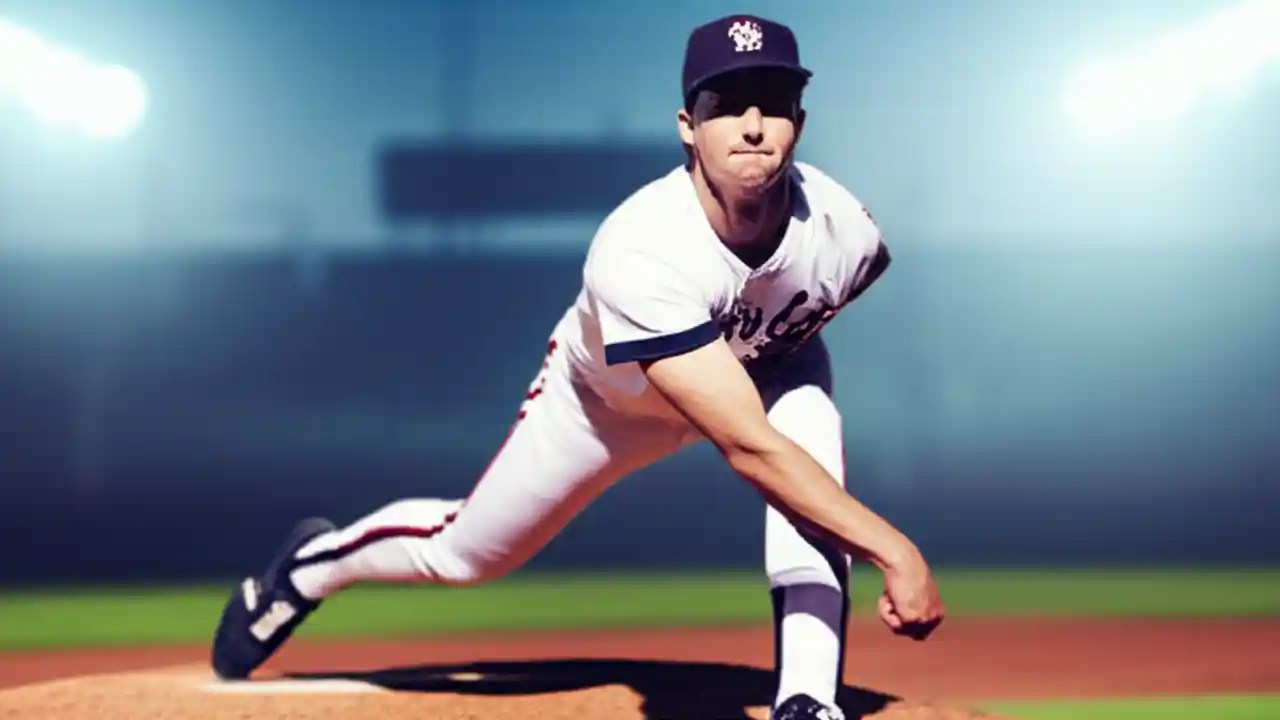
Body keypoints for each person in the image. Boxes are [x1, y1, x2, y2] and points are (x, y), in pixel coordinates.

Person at [211, 14, 944, 720]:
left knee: (810, 432)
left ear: (800, 123)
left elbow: (784, 361)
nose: (752, 125)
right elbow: (748, 446)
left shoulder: (846, 234)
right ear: (687, 125)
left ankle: (806, 700)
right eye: (725, 105)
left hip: (758, 374)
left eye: (775, 103)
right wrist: (895, 550)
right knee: (466, 555)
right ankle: (315, 564)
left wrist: (788, 387)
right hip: (605, 406)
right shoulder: (640, 247)